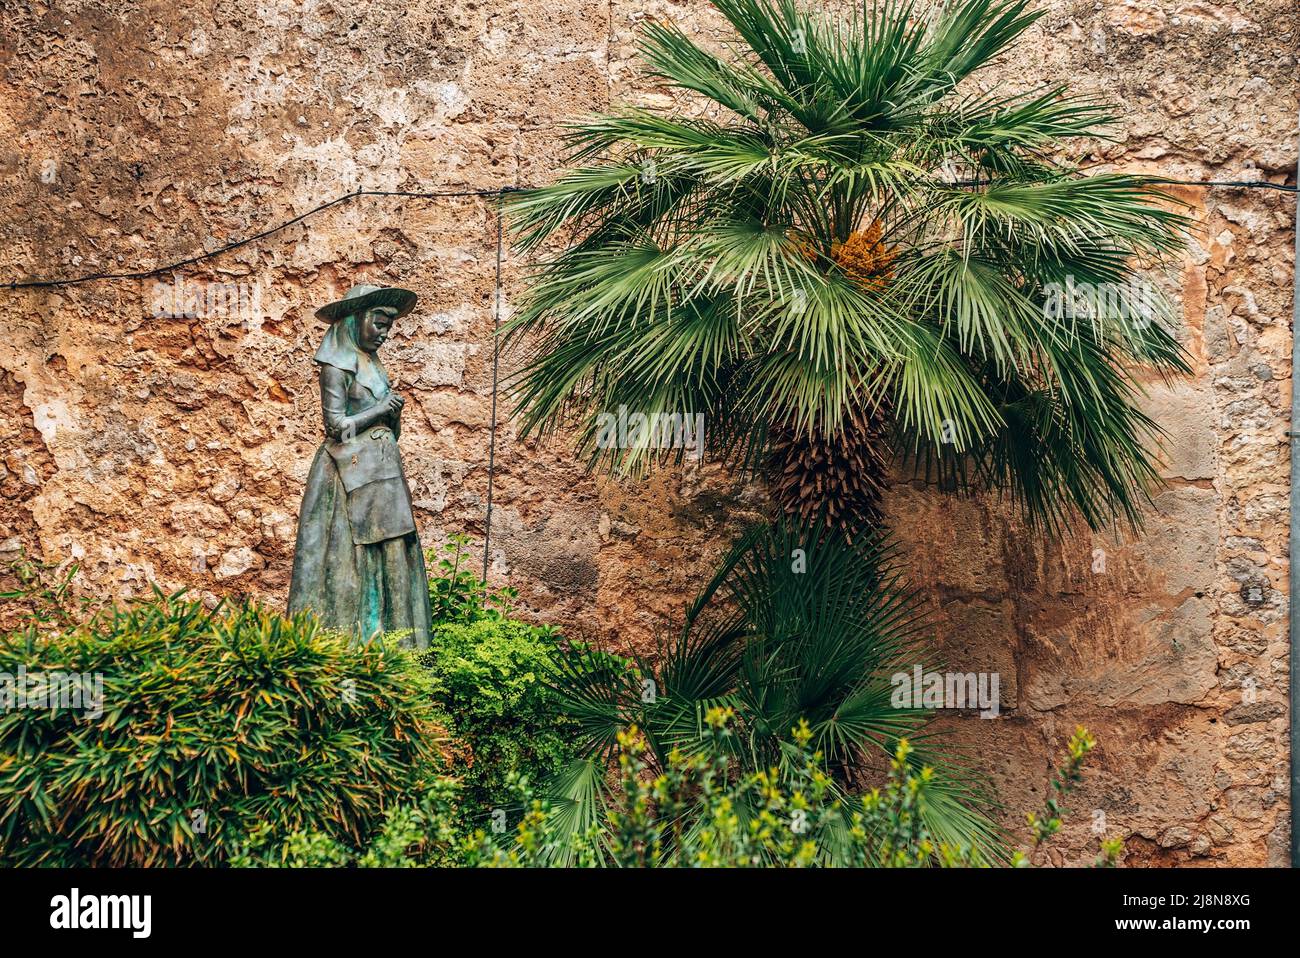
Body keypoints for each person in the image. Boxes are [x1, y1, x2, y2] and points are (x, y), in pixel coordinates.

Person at [287, 284, 432, 648]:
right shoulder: (335, 365)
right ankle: (348, 644)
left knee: (391, 551)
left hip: (381, 473)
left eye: (389, 326)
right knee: (346, 556)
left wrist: (390, 418)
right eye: (379, 323)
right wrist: (384, 410)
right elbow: (336, 426)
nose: (385, 333)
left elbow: (384, 425)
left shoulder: (373, 363)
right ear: (356, 320)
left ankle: (397, 647)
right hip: (345, 476)